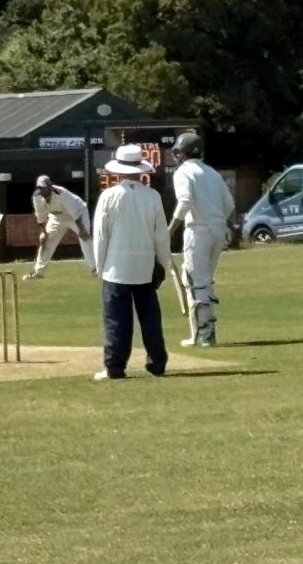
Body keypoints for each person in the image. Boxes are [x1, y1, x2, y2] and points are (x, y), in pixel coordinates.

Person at [92, 145, 172, 380]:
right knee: (150, 318)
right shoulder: (153, 196)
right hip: (145, 266)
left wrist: (100, 265)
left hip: (116, 268)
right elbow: (161, 235)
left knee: (116, 320)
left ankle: (115, 367)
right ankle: (157, 363)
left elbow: (101, 235)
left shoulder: (109, 196)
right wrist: (163, 263)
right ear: (140, 170)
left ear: (118, 171)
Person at [167, 133, 234, 347]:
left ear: (181, 153)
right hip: (218, 230)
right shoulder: (212, 173)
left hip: (198, 230)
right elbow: (229, 204)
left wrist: (169, 230)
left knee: (196, 281)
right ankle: (204, 331)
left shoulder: (183, 172)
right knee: (204, 281)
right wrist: (217, 222)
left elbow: (185, 201)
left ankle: (204, 334)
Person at [24, 176, 95, 280]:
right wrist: (43, 232)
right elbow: (40, 215)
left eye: (48, 186)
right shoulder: (36, 196)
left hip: (77, 214)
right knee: (46, 241)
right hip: (56, 217)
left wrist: (82, 230)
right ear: (39, 188)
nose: (47, 189)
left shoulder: (61, 194)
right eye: (43, 187)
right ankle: (38, 272)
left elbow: (74, 213)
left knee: (85, 238)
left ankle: (96, 269)